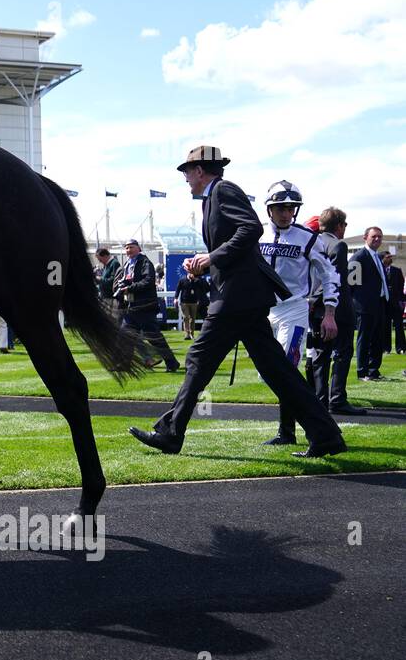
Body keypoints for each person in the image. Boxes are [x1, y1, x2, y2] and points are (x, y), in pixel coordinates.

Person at [128, 146, 345, 458]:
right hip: (243, 296)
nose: (186, 179)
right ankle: (325, 435)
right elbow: (237, 244)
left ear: (200, 170)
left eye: (187, 173)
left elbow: (251, 228)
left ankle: (171, 433)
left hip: (237, 298)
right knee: (276, 369)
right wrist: (203, 265)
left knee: (199, 360)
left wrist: (211, 257)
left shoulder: (224, 190)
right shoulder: (214, 197)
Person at [256, 180, 339, 446]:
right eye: (280, 207)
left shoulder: (308, 238)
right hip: (262, 311)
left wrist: (329, 313)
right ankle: (293, 428)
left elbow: (329, 276)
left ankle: (289, 432)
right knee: (269, 372)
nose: (286, 212)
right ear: (269, 209)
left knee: (287, 369)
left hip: (293, 309)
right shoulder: (256, 235)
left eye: (291, 207)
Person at [305, 209, 363, 416]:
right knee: (342, 354)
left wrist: (310, 300)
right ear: (339, 226)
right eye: (344, 225)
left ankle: (320, 399)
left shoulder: (311, 242)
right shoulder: (338, 245)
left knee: (320, 355)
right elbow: (333, 278)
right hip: (336, 310)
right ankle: (336, 398)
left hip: (314, 308)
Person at [114, 239, 179, 373]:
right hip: (131, 308)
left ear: (139, 249)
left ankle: (172, 363)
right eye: (126, 248)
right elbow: (128, 280)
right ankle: (124, 364)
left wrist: (130, 288)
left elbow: (148, 281)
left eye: (131, 247)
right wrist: (123, 287)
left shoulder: (144, 262)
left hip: (144, 308)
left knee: (154, 337)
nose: (128, 250)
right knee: (127, 336)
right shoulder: (127, 264)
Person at [350, 227, 390, 381]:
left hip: (379, 303)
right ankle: (362, 372)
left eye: (380, 237)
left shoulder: (377, 256)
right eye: (374, 236)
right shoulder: (359, 257)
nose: (377, 239)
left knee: (377, 339)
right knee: (364, 339)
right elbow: (350, 284)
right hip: (364, 305)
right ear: (365, 237)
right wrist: (356, 303)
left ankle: (374, 371)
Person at [174, 266, 206, 340]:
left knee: (193, 319)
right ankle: (187, 334)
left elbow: (202, 289)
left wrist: (196, 280)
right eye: (192, 274)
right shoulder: (182, 280)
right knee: (186, 317)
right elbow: (178, 289)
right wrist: (175, 298)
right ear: (188, 273)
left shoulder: (197, 281)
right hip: (184, 302)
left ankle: (192, 334)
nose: (193, 275)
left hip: (194, 302)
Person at [384, 252, 404, 354]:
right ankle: (386, 348)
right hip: (385, 303)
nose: (390, 258)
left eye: (390, 257)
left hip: (396, 303)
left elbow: (401, 287)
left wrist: (402, 301)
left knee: (399, 326)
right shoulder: (380, 271)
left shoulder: (397, 271)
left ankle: (400, 348)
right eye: (388, 257)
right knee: (386, 326)